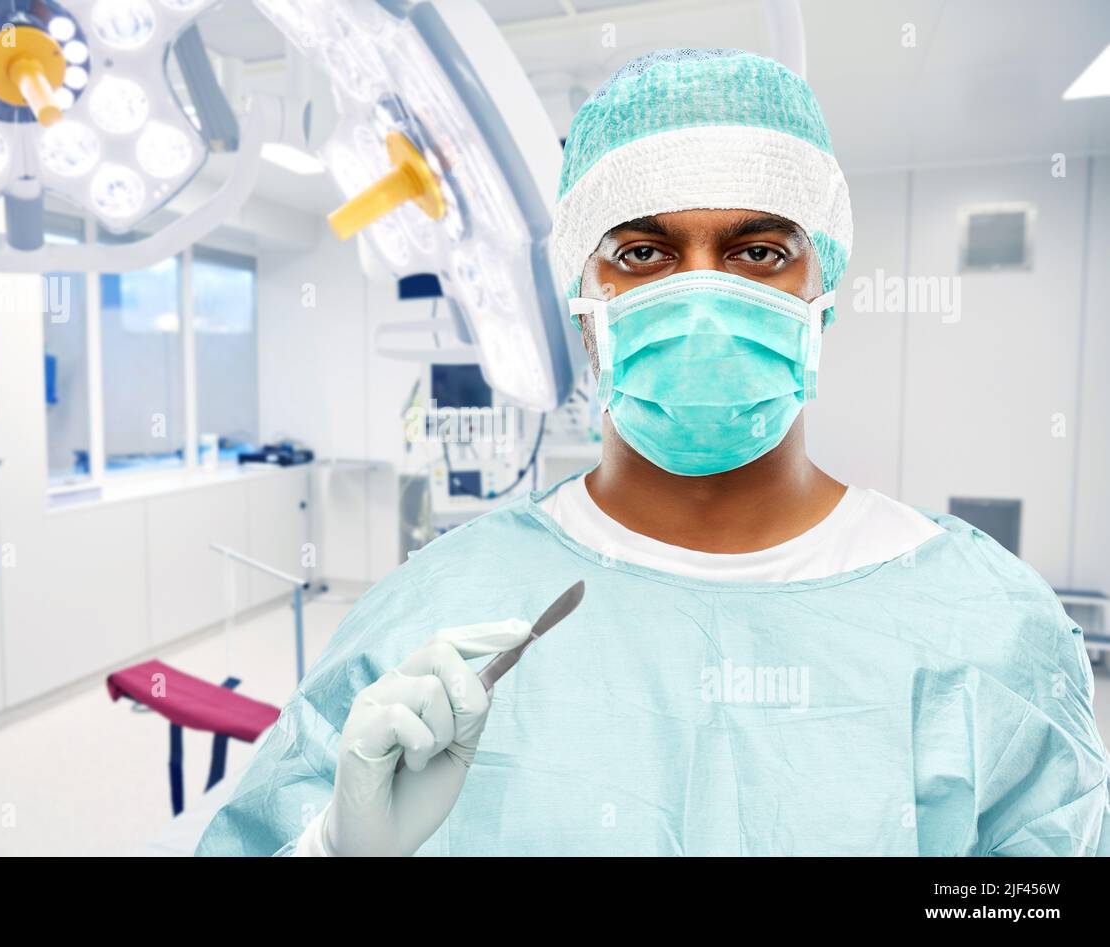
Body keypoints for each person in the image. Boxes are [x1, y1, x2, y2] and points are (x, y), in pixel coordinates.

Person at [197, 48, 1110, 856]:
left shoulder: (986, 629)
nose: (703, 296)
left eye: (757, 252)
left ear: (821, 294)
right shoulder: (435, 620)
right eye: (644, 253)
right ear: (580, 301)